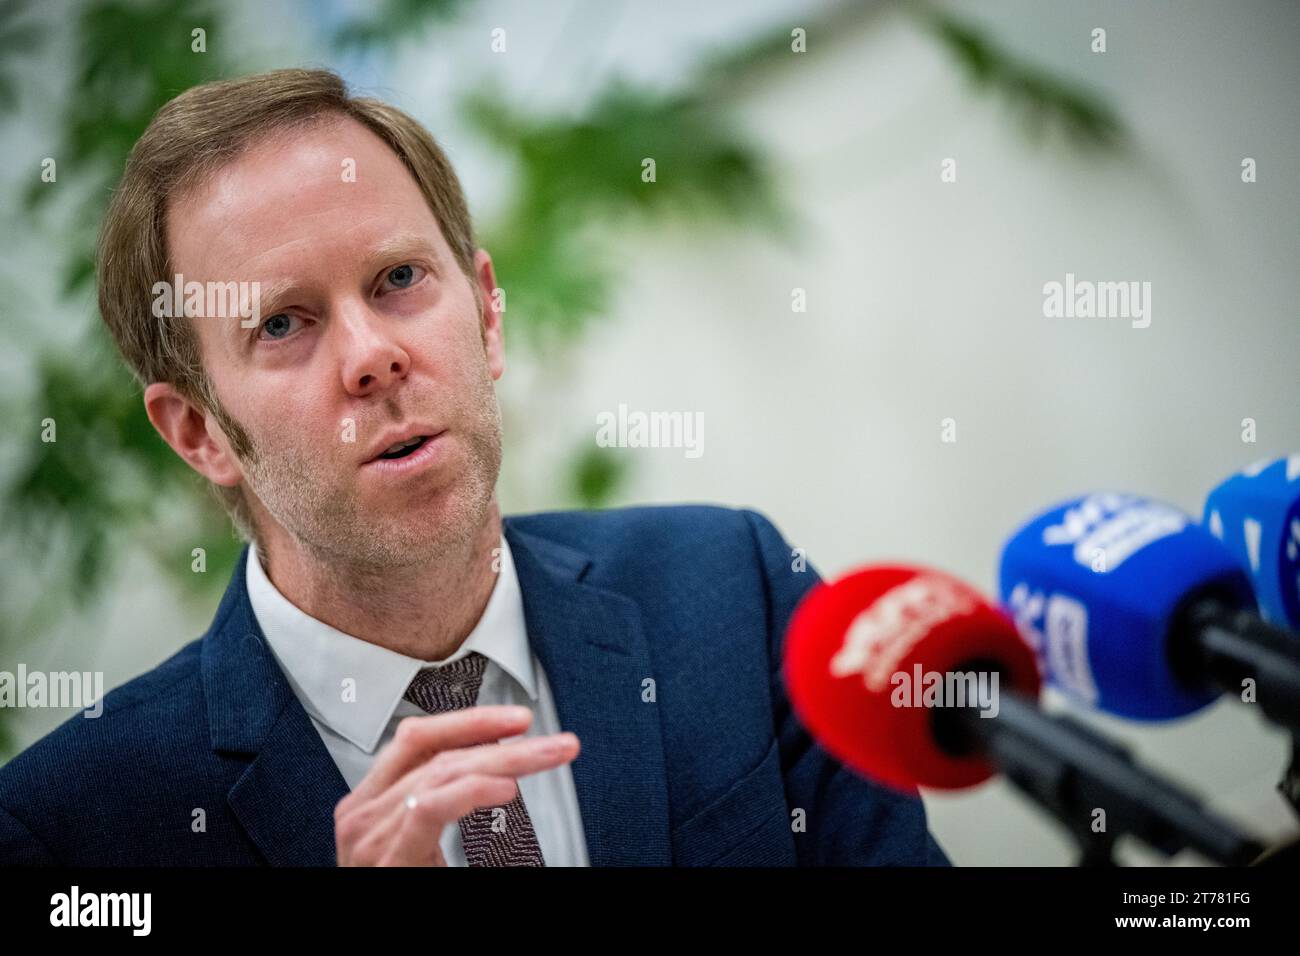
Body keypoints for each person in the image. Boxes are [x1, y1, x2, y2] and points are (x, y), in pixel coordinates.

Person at [0, 68, 949, 867]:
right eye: (283, 324)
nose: (372, 355)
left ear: (487, 313)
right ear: (199, 432)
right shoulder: (68, 831)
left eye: (398, 280)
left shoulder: (729, 593)